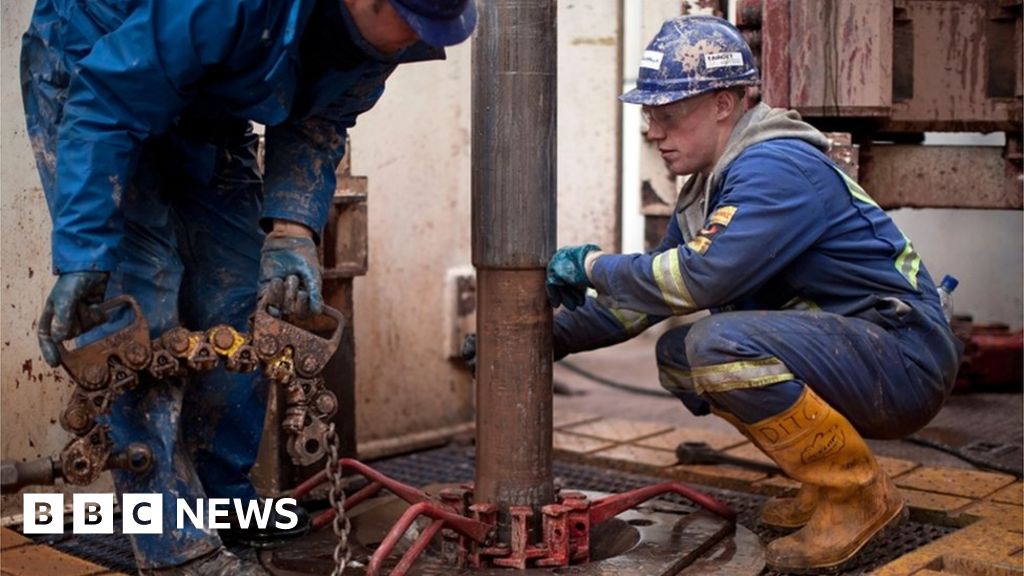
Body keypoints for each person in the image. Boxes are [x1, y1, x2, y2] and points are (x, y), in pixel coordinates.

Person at [22, 0, 476, 574]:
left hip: (206, 107)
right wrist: (85, 253)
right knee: (141, 302)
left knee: (239, 295)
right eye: (413, 25)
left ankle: (225, 505)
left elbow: (320, 117)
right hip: (98, 71)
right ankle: (173, 544)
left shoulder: (383, 39)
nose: (419, 41)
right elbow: (109, 97)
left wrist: (290, 230)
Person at [544, 15, 962, 573]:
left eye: (668, 115)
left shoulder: (776, 166)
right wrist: (546, 337)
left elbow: (699, 278)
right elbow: (646, 300)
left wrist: (593, 264)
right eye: (649, 116)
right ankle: (823, 484)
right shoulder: (710, 183)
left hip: (904, 358)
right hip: (858, 349)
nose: (653, 132)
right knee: (679, 354)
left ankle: (858, 496)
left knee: (718, 347)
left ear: (723, 103)